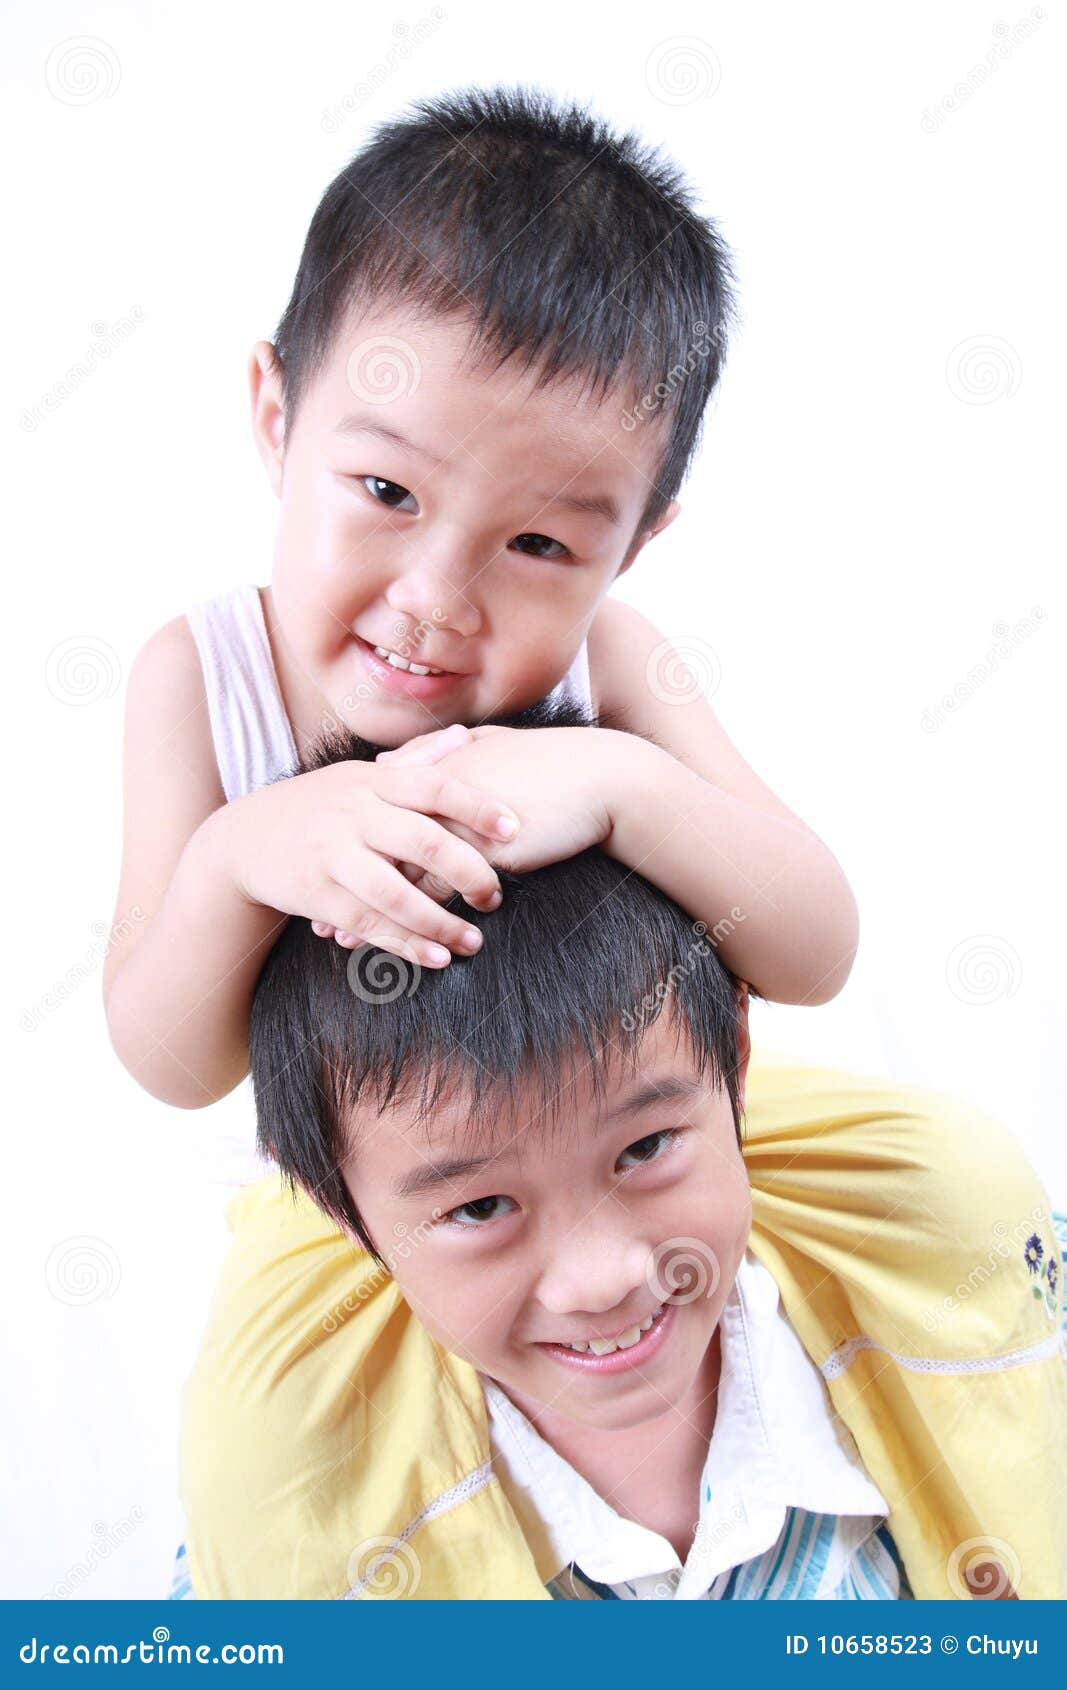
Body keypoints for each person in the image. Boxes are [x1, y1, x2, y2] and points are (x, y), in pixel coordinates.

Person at [96, 86, 1063, 1596]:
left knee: (953, 1188)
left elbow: (810, 943)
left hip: (639, 1112)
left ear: (634, 539)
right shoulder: (199, 674)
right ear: (275, 418)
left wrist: (623, 782)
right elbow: (167, 1053)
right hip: (378, 1205)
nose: (436, 594)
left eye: (539, 541)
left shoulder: (610, 659)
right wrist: (243, 852)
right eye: (383, 490)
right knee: (264, 1446)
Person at [175, 708, 1066, 1600]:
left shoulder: (960, 1282)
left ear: (736, 1069)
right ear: (336, 1205)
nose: (599, 1280)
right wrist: (222, 855)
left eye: (644, 1149)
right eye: (479, 1208)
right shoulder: (291, 1520)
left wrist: (628, 786)